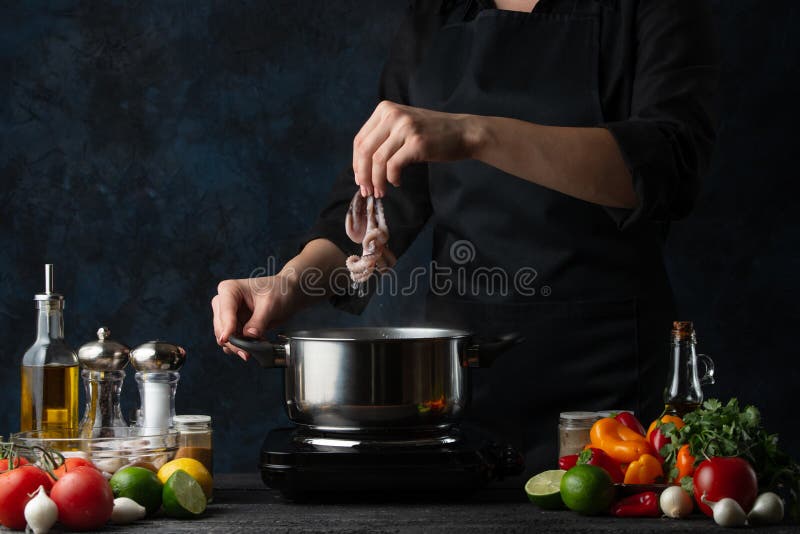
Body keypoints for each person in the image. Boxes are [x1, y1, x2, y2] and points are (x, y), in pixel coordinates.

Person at [212, 0, 718, 475]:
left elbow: (669, 165)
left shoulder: (645, 8)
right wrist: (286, 283)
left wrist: (475, 134)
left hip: (609, 382)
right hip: (457, 387)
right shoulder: (441, 12)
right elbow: (381, 201)